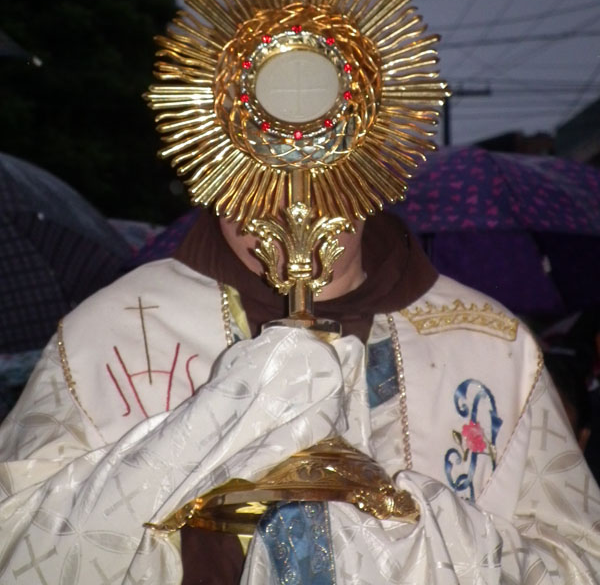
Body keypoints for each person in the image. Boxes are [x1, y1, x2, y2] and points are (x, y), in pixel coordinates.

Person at [0, 205, 599, 585]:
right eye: (260, 160)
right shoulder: (112, 333)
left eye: (322, 151)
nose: (295, 192)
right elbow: (18, 549)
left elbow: (581, 560)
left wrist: (418, 537)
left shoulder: (490, 343)